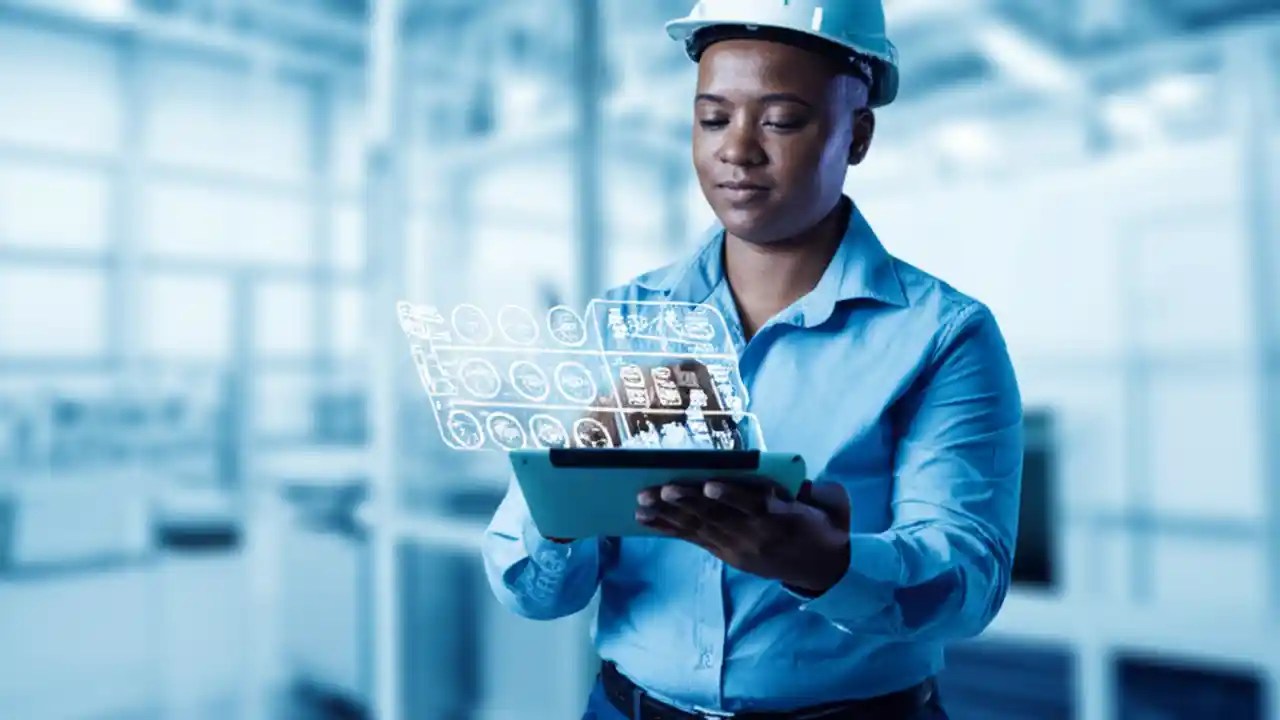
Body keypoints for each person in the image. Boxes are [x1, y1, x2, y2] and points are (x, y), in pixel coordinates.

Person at [482, 1, 1023, 718]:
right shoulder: (625, 320)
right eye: (712, 119)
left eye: (780, 120)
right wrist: (577, 469)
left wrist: (826, 565)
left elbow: (968, 582)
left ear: (857, 134)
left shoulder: (943, 337)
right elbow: (529, 587)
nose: (737, 151)